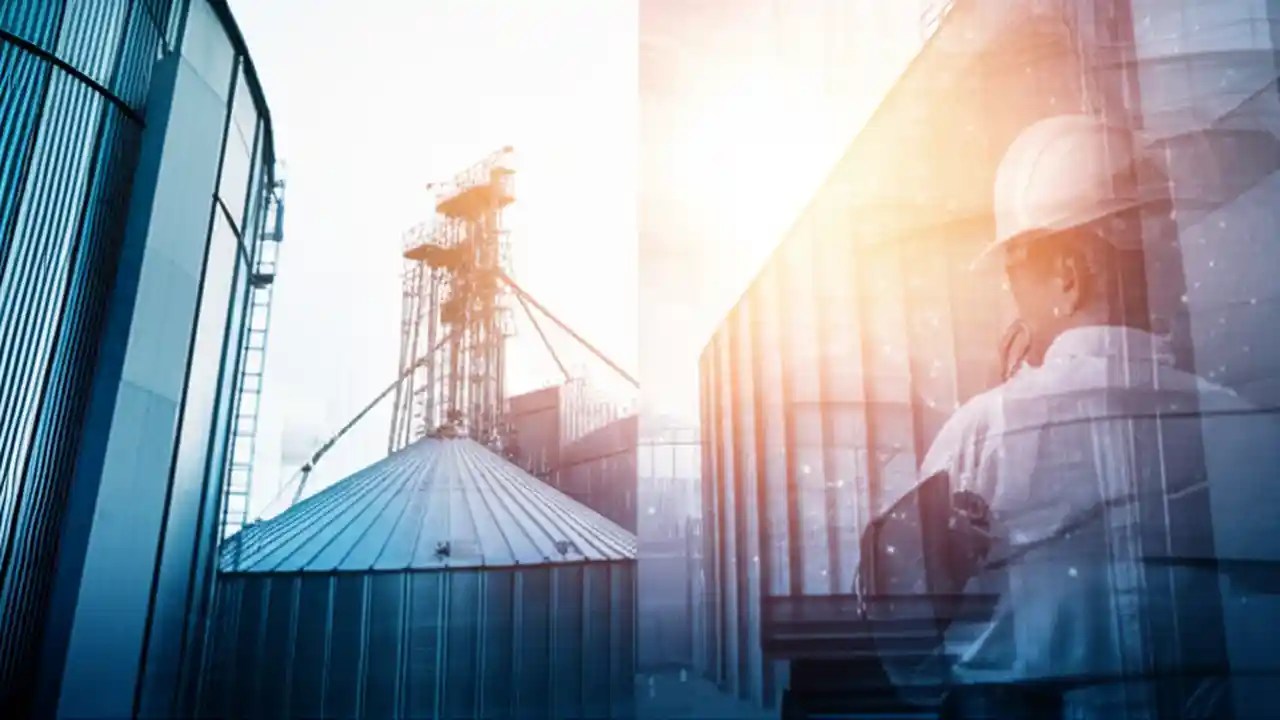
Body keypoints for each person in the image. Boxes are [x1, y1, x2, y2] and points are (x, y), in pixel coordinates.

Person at [865, 114, 1280, 719]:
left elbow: (907, 654)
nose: (1012, 300)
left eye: (1015, 275)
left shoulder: (984, 435)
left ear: (1067, 274)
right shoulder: (1239, 423)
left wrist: (997, 405)